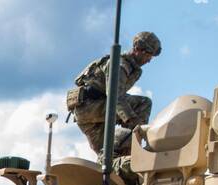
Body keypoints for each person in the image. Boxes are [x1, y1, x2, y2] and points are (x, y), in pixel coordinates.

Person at [68, 31, 161, 160]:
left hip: (86, 113)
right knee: (144, 103)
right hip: (90, 107)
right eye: (148, 55)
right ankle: (138, 146)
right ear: (137, 49)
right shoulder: (120, 65)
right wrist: (136, 126)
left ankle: (129, 154)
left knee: (108, 155)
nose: (149, 60)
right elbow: (116, 96)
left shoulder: (130, 67)